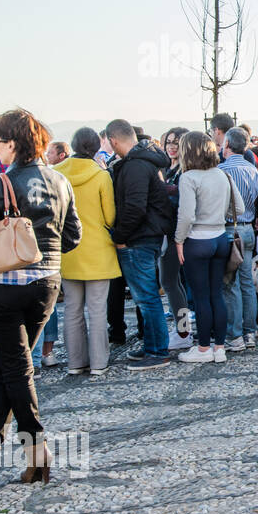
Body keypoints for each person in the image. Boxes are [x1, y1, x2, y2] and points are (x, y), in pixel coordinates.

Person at [0, 109, 81, 489]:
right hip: (47, 284)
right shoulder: (61, 181)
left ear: (11, 143)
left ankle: (37, 452)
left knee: (15, 368)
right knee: (7, 368)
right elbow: (72, 236)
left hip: (4, 288)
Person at [105, 119, 174, 369]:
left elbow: (134, 206)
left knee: (146, 298)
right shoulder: (150, 161)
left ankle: (158, 352)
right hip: (150, 234)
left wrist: (119, 236)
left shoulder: (135, 166)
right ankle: (153, 346)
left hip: (139, 238)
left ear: (113, 141)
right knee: (146, 297)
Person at [174, 132, 244, 363]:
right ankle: (220, 347)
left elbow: (186, 215)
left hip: (197, 240)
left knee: (201, 297)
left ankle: (203, 348)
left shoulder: (188, 178)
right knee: (217, 295)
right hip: (220, 238)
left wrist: (178, 240)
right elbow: (240, 208)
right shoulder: (222, 174)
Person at [55, 128, 119, 377]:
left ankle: (75, 362)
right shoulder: (101, 175)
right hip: (97, 250)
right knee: (97, 309)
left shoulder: (56, 173)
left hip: (68, 250)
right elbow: (110, 217)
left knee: (71, 309)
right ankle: (99, 363)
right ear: (95, 148)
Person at [217, 128, 258, 352]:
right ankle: (250, 331)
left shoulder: (222, 170)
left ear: (227, 145)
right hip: (248, 228)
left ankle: (234, 335)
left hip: (229, 229)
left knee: (230, 283)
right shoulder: (253, 169)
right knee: (247, 283)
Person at [159, 126, 194, 351]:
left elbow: (181, 206)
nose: (172, 146)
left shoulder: (184, 172)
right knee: (172, 283)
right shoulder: (168, 168)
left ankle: (183, 331)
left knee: (171, 283)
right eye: (169, 142)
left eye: (176, 142)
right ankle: (183, 329)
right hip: (168, 233)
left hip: (176, 235)